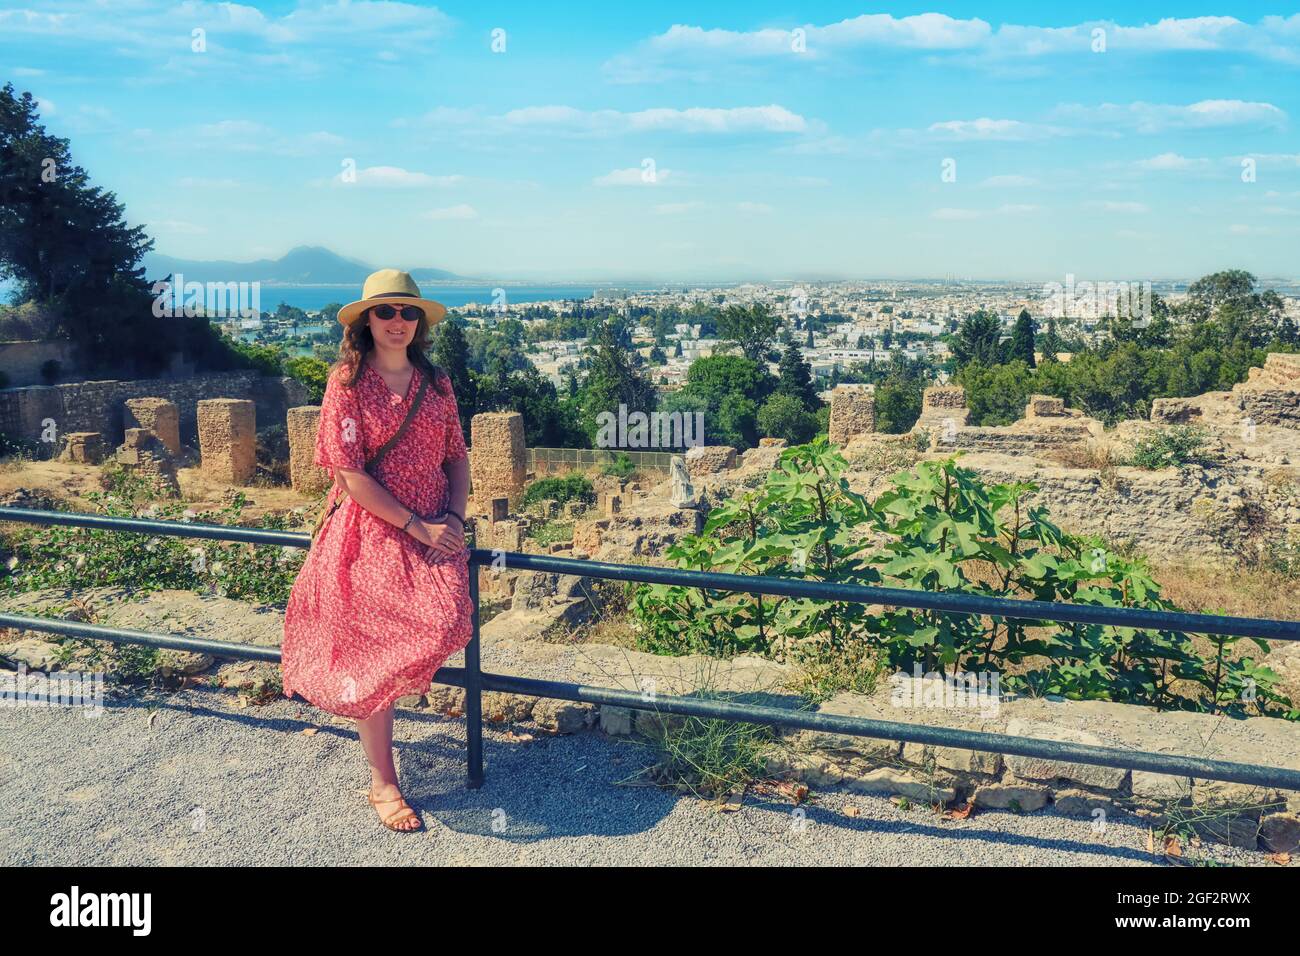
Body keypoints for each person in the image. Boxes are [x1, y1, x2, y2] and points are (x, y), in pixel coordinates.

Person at [282, 268, 472, 832]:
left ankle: (387, 752)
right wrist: (419, 526)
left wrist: (454, 519)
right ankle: (383, 780)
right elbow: (348, 474)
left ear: (420, 321)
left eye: (408, 312)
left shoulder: (436, 383)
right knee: (372, 653)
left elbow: (457, 457)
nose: (398, 322)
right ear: (366, 320)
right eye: (386, 312)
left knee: (439, 623)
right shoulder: (347, 381)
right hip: (374, 532)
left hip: (436, 527)